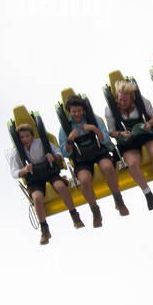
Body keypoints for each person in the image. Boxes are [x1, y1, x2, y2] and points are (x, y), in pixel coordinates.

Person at [8, 122, 82, 244]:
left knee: (61, 186)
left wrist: (54, 157)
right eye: (22, 137)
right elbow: (14, 172)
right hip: (34, 179)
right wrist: (24, 170)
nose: (25, 139)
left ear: (32, 136)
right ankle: (44, 229)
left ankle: (74, 215)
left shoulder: (41, 142)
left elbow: (58, 152)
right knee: (36, 198)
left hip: (49, 172)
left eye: (27, 136)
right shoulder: (17, 152)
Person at [57, 95, 127, 223]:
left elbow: (105, 139)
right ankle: (95, 210)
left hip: (98, 152)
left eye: (79, 111)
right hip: (81, 159)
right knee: (83, 180)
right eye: (74, 111)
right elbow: (65, 153)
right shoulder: (64, 129)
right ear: (70, 111)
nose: (77, 114)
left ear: (83, 109)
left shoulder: (93, 119)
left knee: (108, 167)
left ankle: (118, 200)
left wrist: (94, 129)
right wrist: (70, 139)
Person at [105, 80, 153, 210]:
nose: (122, 103)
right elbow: (111, 132)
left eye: (125, 101)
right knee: (132, 164)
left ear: (132, 98)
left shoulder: (140, 101)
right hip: (127, 140)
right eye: (120, 99)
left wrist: (149, 124)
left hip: (145, 133)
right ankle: (147, 193)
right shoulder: (110, 109)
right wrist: (121, 134)